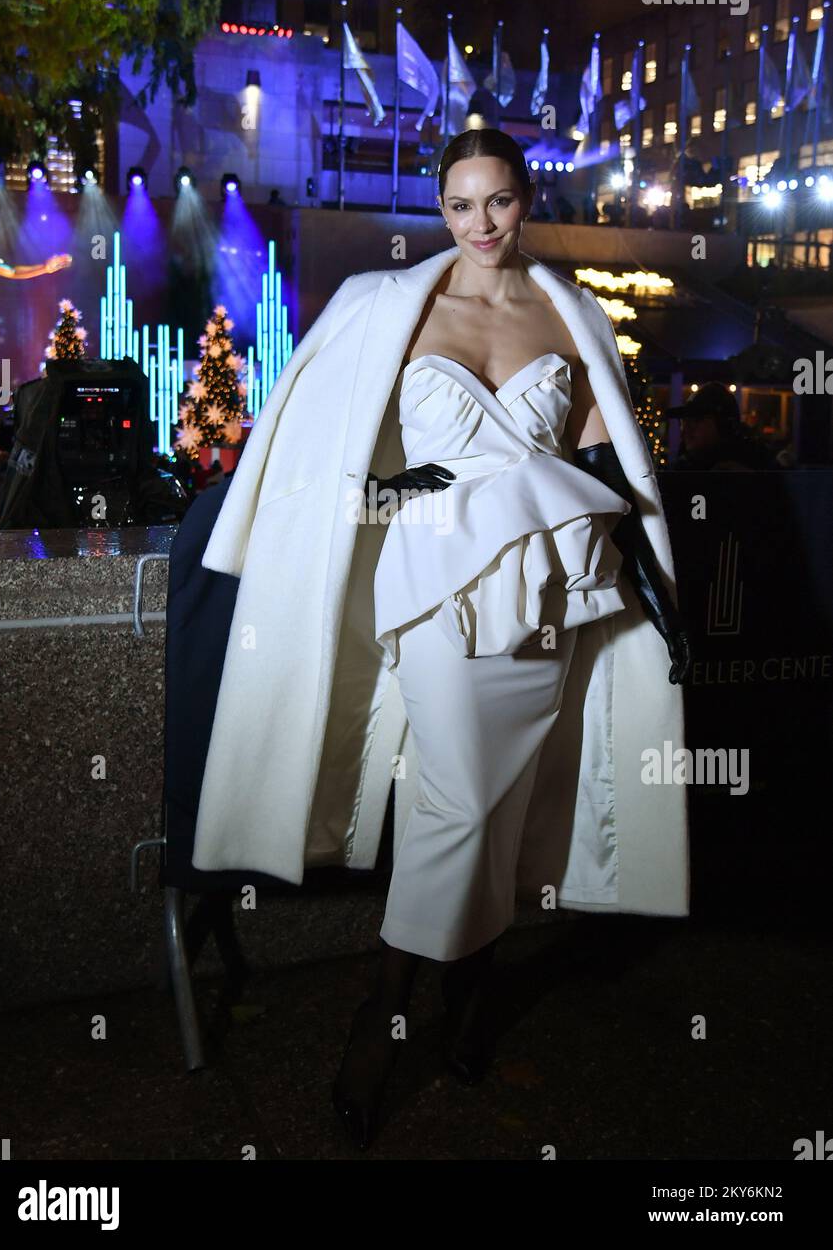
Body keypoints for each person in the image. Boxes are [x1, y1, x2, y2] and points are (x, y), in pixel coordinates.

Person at [191, 129, 691, 1152]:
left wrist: (660, 601)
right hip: (433, 590)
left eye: (498, 201)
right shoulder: (392, 308)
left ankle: (466, 989)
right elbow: (339, 464)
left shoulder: (571, 311)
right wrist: (388, 500)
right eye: (460, 205)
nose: (480, 224)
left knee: (491, 809)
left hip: (542, 598)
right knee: (460, 797)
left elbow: (605, 471)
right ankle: (386, 1014)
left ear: (523, 197)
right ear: (439, 206)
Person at [666, 382, 778, 471]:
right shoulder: (683, 469)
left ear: (723, 424)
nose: (685, 430)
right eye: (683, 422)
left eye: (695, 421)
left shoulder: (758, 461)